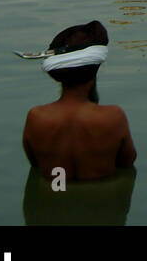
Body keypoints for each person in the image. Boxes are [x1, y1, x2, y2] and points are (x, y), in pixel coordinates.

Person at [21, 21, 136, 182]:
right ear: (95, 68)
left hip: (56, 191)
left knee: (58, 187)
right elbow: (126, 164)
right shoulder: (113, 116)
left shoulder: (36, 117)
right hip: (101, 198)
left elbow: (36, 165)